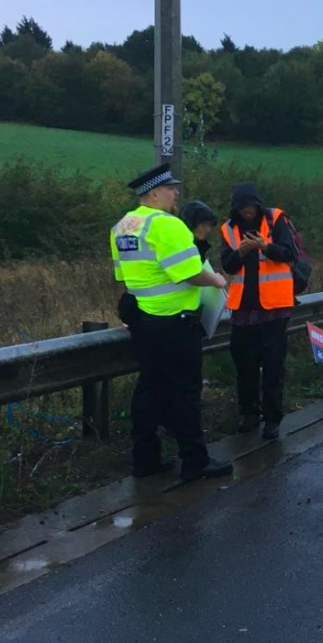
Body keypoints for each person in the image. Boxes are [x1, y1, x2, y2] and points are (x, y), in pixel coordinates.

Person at [110, 163, 233, 481]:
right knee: (185, 391)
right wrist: (217, 280)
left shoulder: (122, 226)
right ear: (154, 194)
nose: (176, 193)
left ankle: (145, 459)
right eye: (170, 188)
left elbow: (125, 277)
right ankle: (195, 461)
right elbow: (190, 273)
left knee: (149, 388)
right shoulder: (168, 225)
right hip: (175, 323)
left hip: (143, 322)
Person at [220, 183, 297, 440]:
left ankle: (272, 418)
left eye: (251, 207)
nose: (247, 212)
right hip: (243, 310)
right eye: (242, 208)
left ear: (258, 205)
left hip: (275, 308)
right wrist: (241, 252)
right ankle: (250, 414)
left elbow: (289, 254)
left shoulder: (276, 219)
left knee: (273, 365)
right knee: (245, 366)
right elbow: (228, 266)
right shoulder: (228, 229)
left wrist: (265, 247)